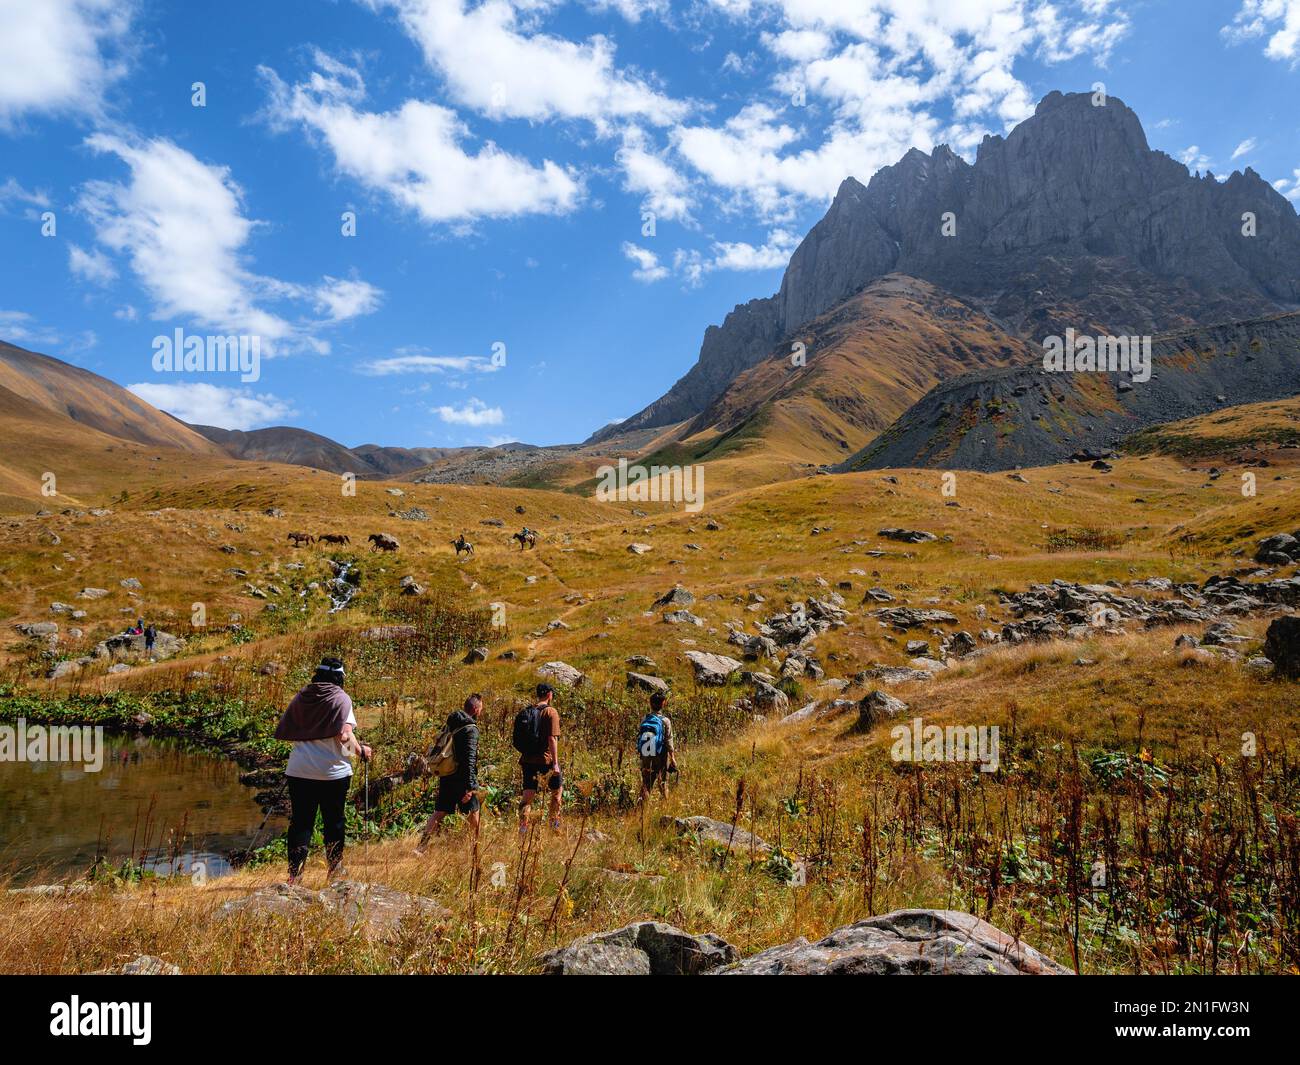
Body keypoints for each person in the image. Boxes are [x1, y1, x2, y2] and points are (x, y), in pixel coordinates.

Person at [273, 656, 371, 884]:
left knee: (301, 823)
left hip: (299, 771)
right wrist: (361, 751)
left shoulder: (302, 696)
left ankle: (294, 876)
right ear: (339, 677)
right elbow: (344, 735)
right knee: (333, 822)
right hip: (332, 773)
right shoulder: (340, 698)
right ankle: (334, 871)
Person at [417, 694, 482, 847]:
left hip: (446, 774)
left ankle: (421, 847)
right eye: (480, 708)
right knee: (474, 811)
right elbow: (470, 759)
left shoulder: (451, 725)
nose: (481, 711)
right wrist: (471, 787)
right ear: (475, 709)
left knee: (440, 812)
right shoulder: (470, 729)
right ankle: (475, 848)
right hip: (462, 777)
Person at [516, 682, 562, 832]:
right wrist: (555, 763)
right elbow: (552, 739)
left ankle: (523, 830)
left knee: (527, 796)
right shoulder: (551, 712)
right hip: (545, 760)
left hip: (528, 760)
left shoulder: (528, 711)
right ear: (549, 694)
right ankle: (554, 826)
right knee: (556, 793)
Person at [637, 691, 676, 803]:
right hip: (660, 754)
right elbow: (669, 740)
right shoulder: (665, 721)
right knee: (663, 782)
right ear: (663, 703)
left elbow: (640, 735)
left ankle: (642, 809)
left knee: (646, 783)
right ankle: (666, 807)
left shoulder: (645, 718)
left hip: (646, 753)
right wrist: (672, 757)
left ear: (650, 703)